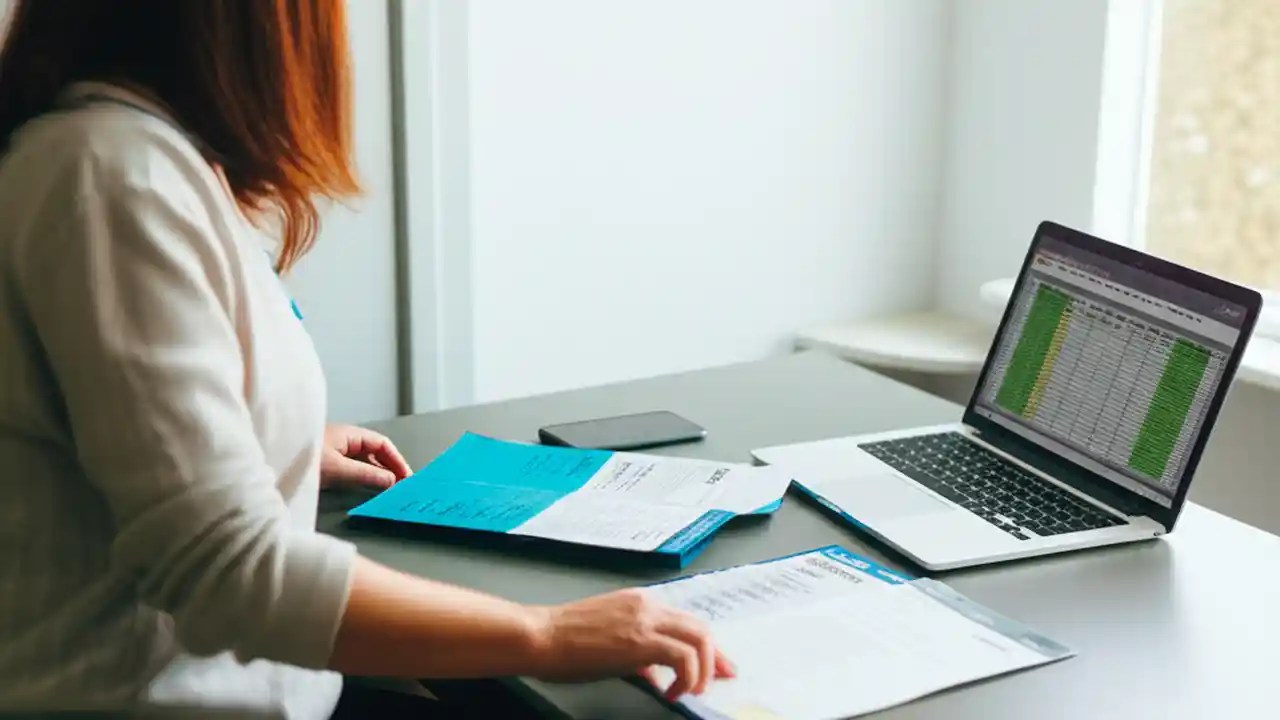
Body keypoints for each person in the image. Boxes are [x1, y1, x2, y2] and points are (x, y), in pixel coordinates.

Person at [0, 1, 732, 718]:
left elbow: (104, 417)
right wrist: (544, 634)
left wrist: (258, 443)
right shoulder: (112, 176)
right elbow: (228, 577)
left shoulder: (137, 158)